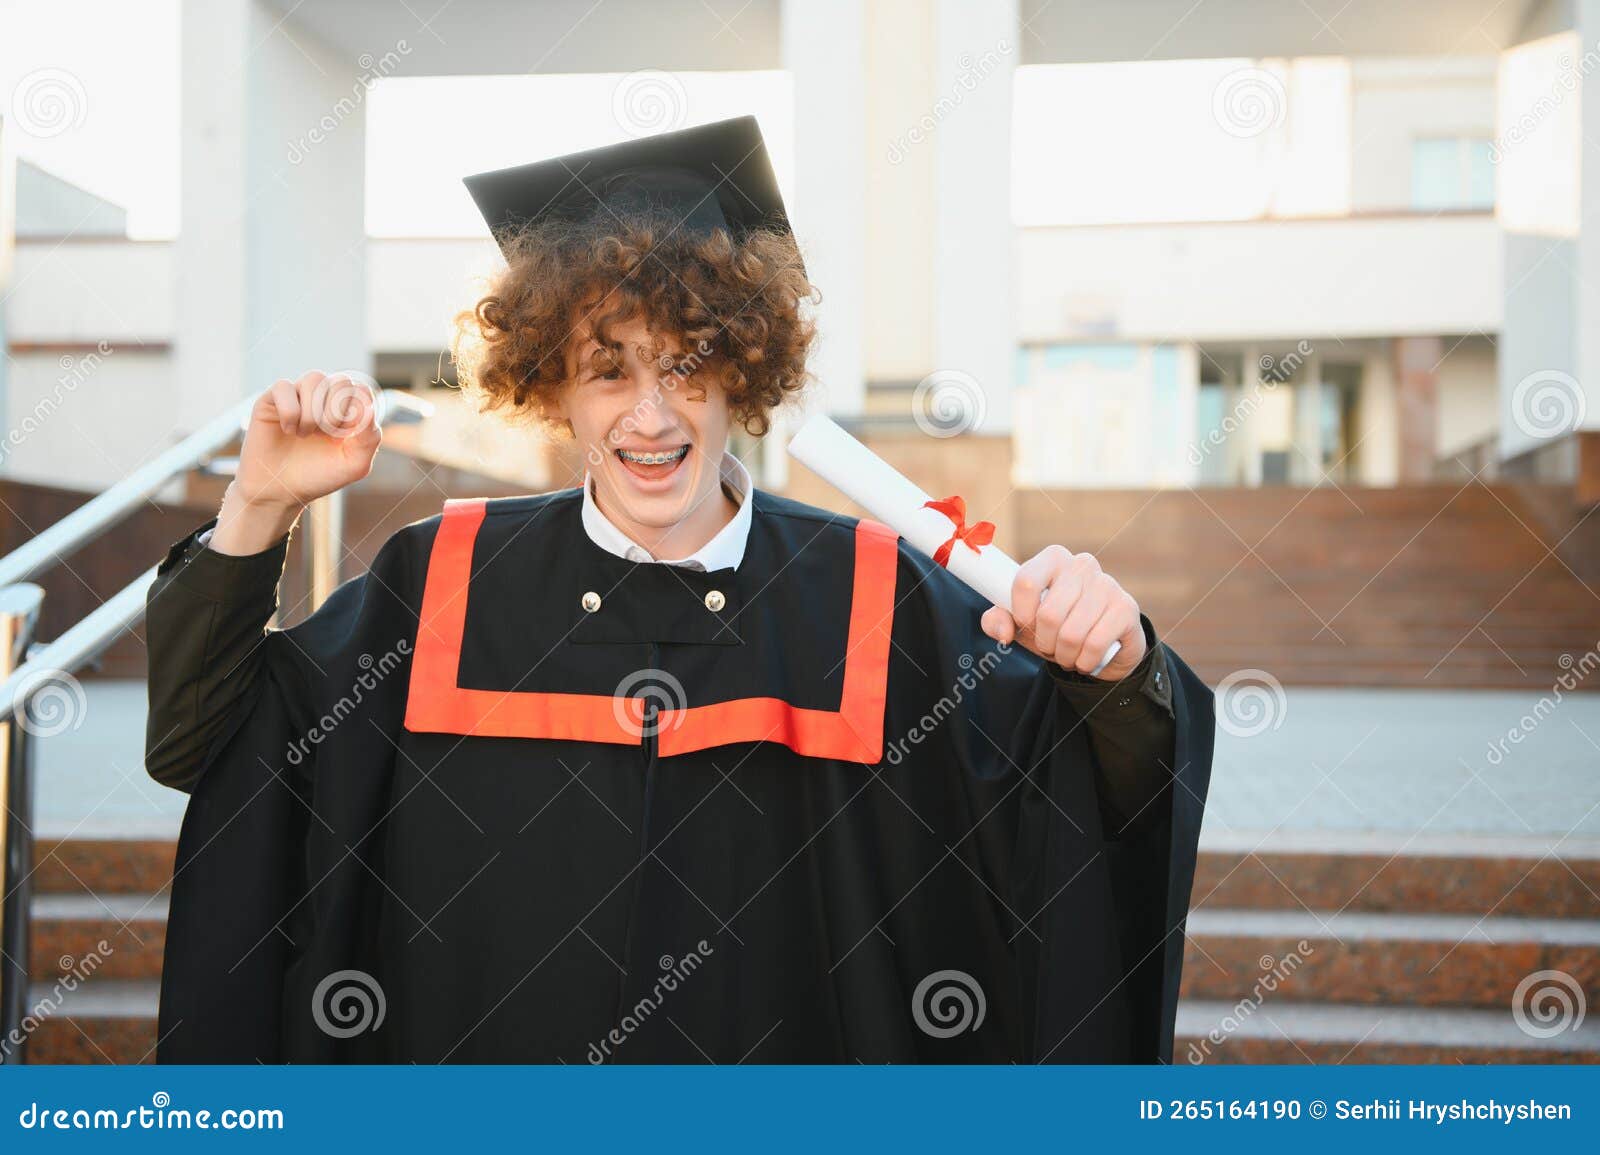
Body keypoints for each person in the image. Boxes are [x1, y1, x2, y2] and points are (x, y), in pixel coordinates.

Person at [144, 116, 1214, 1064]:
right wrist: (257, 507)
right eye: (608, 367)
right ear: (553, 387)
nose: (650, 416)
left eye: (688, 364)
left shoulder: (871, 595)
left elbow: (1077, 800)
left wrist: (1117, 666)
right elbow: (209, 747)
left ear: (743, 373)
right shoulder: (443, 581)